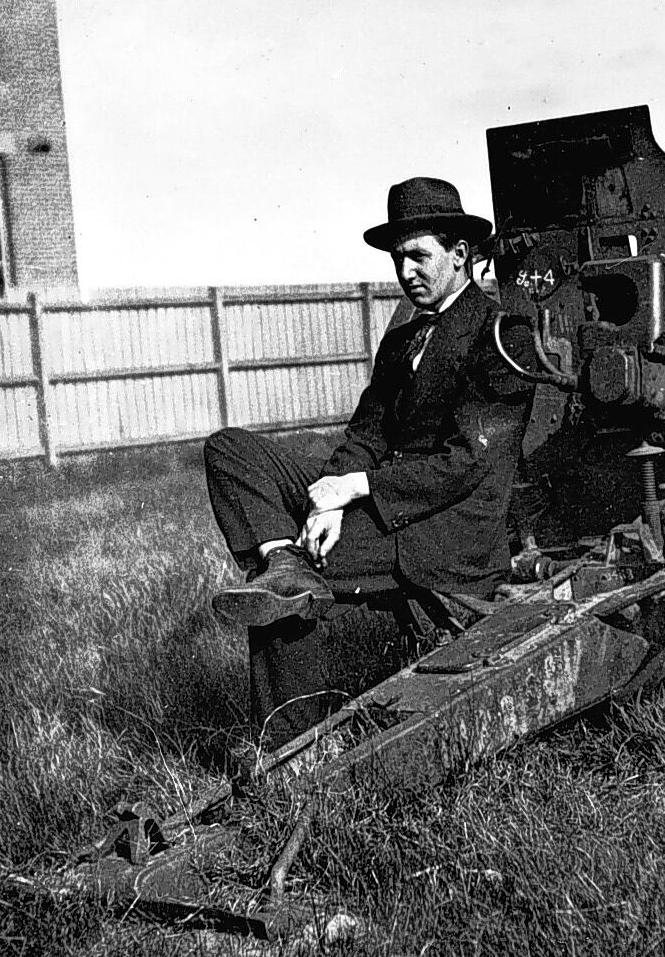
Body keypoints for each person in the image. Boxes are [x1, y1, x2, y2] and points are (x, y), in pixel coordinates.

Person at [204, 176, 534, 747]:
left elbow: (465, 465)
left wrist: (356, 488)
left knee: (289, 591)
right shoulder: (404, 336)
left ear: (459, 255)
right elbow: (368, 430)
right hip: (383, 503)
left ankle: (287, 748)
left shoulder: (502, 337)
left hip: (445, 532)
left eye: (418, 256)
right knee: (229, 450)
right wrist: (330, 490)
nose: (405, 272)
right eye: (397, 259)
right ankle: (283, 557)